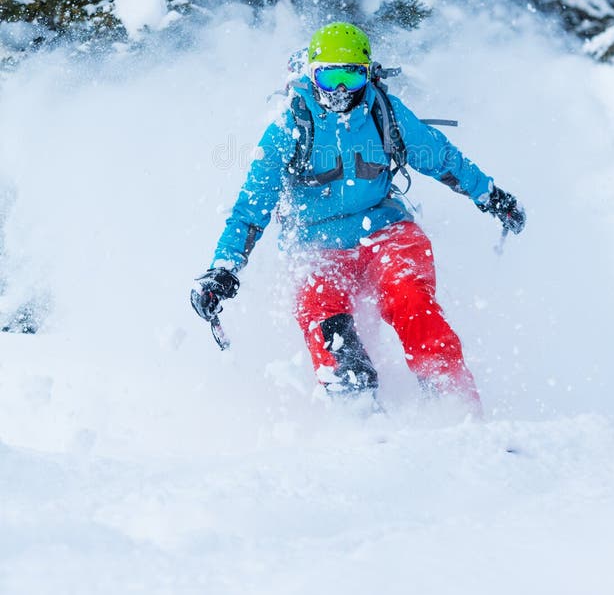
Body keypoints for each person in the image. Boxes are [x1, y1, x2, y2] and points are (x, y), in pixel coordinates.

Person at [191, 22, 525, 411]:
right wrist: (223, 268)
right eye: (329, 76)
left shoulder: (384, 113)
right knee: (320, 310)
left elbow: (441, 157)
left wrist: (490, 195)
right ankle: (356, 405)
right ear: (312, 74)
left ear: (368, 74)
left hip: (385, 229)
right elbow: (252, 208)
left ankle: (450, 396)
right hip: (317, 245)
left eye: (352, 76)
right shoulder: (289, 128)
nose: (340, 91)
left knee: (410, 295)